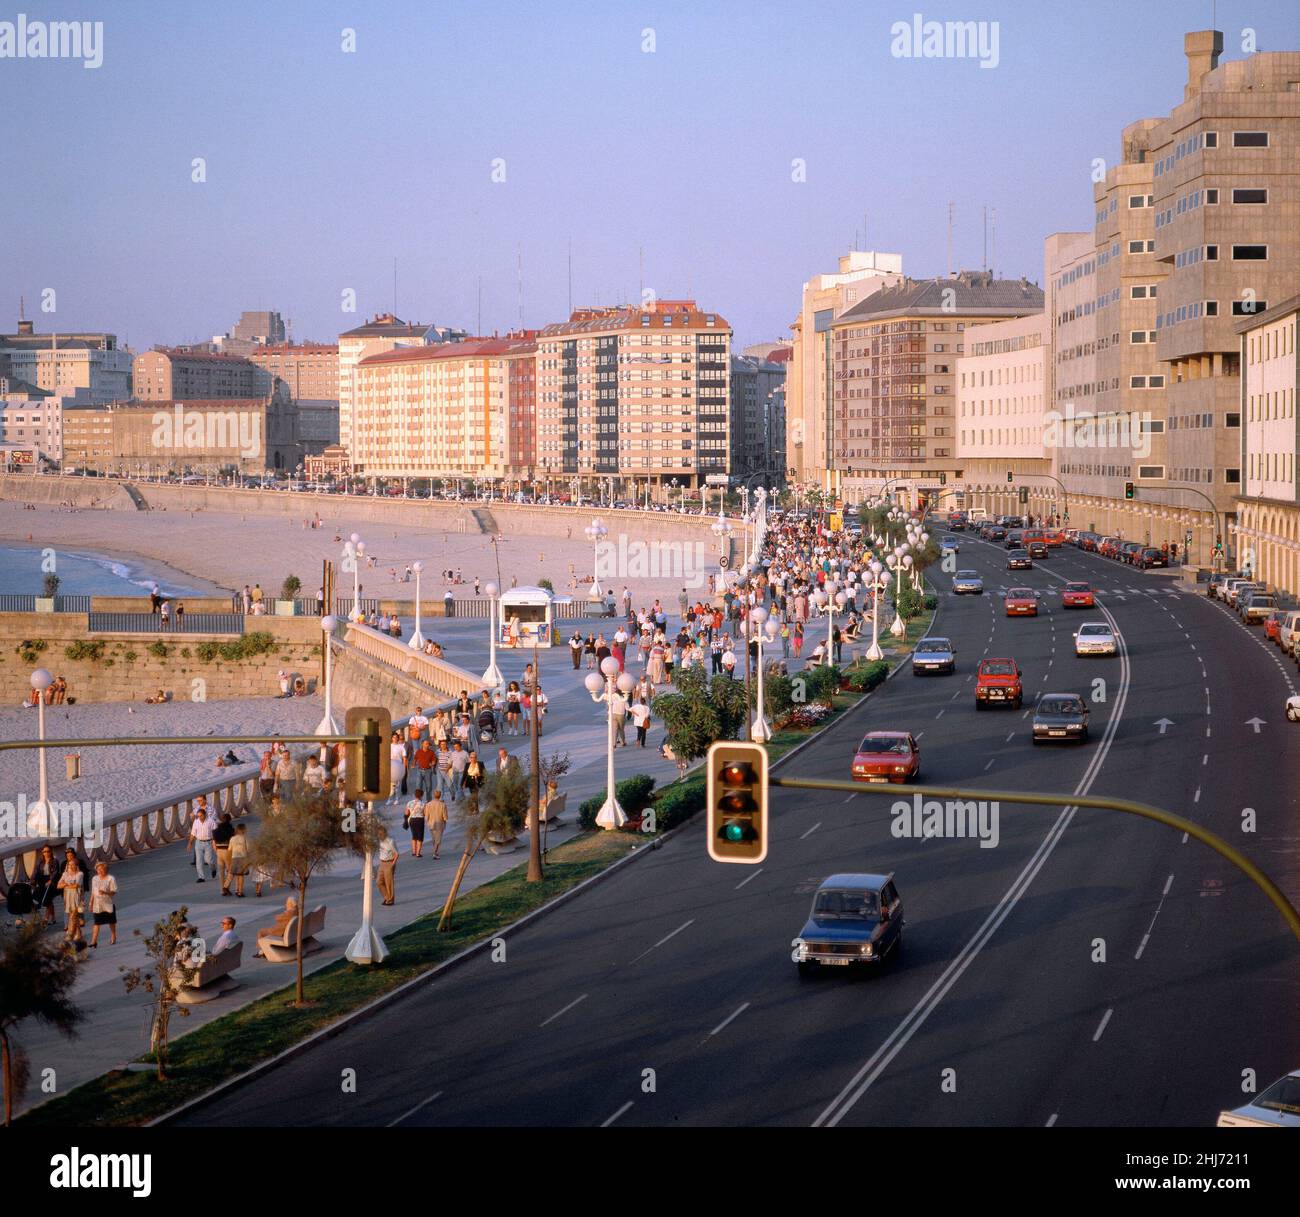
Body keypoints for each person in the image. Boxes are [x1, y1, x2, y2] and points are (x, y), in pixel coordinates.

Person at [57, 855, 85, 948]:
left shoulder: (80, 874)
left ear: (76, 865)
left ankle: (70, 935)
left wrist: (65, 884)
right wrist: (67, 884)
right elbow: (58, 885)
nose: (71, 866)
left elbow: (76, 885)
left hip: (77, 897)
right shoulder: (65, 874)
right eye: (69, 865)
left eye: (73, 865)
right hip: (67, 897)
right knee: (73, 916)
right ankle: (79, 933)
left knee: (73, 916)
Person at [88, 861, 117, 947]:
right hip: (97, 904)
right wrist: (91, 903)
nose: (99, 871)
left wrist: (105, 892)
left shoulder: (111, 878)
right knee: (96, 922)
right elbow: (93, 891)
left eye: (102, 869)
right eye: (98, 869)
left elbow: (113, 892)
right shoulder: (94, 878)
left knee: (111, 922)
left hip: (108, 903)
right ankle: (93, 941)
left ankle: (113, 935)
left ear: (106, 869)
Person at [31, 844, 60, 925]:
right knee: (43, 898)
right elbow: (36, 872)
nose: (46, 853)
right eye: (44, 851)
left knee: (47, 899)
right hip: (42, 881)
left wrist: (51, 880)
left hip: (51, 881)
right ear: (42, 852)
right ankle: (53, 917)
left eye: (48, 851)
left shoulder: (55, 861)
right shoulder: (40, 861)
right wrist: (33, 880)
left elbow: (56, 872)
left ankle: (46, 919)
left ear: (51, 852)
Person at [187, 807, 217, 882]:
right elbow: (193, 833)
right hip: (198, 842)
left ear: (205, 815)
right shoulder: (196, 822)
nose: (199, 817)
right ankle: (201, 877)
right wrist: (190, 843)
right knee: (199, 860)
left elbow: (215, 833)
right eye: (198, 816)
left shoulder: (211, 821)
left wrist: (215, 842)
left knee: (208, 860)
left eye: (201, 816)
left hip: (208, 842)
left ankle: (213, 868)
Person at [213, 811, 236, 894]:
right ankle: (226, 887)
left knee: (221, 871)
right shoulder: (231, 829)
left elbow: (214, 843)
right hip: (227, 851)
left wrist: (216, 850)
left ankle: (222, 889)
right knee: (231, 870)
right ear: (230, 820)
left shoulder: (216, 830)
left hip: (219, 851)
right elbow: (233, 841)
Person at [376, 829, 398, 905]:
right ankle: (387, 897)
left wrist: (393, 864)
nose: (379, 835)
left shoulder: (390, 841)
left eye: (380, 834)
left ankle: (390, 900)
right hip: (382, 863)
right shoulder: (379, 841)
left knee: (389, 883)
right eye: (378, 834)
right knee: (379, 882)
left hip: (389, 863)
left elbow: (396, 854)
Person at [228, 821, 251, 896]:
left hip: (234, 858)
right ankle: (240, 892)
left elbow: (229, 850)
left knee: (236, 875)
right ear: (243, 830)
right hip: (243, 858)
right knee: (241, 876)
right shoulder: (245, 838)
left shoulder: (232, 838)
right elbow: (248, 849)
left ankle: (236, 889)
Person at [426, 788, 449, 859]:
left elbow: (426, 816)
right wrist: (445, 821)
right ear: (440, 795)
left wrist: (427, 822)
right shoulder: (443, 805)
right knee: (438, 839)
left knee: (434, 839)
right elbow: (445, 816)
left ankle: (435, 852)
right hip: (440, 823)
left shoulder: (428, 804)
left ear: (433, 795)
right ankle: (435, 853)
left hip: (431, 823)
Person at [405, 787, 427, 857]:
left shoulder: (409, 803)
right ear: (421, 795)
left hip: (412, 820)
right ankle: (418, 853)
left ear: (415, 795)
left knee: (414, 836)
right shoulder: (423, 804)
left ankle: (414, 852)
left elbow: (406, 813)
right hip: (420, 820)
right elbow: (425, 813)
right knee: (420, 837)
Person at [389, 730, 407, 801]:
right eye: (393, 737)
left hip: (399, 766)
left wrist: (405, 768)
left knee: (398, 784)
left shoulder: (401, 747)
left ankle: (397, 798)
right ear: (392, 738)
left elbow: (404, 758)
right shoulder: (389, 746)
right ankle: (390, 798)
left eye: (396, 737)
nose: (395, 739)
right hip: (391, 766)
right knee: (391, 784)